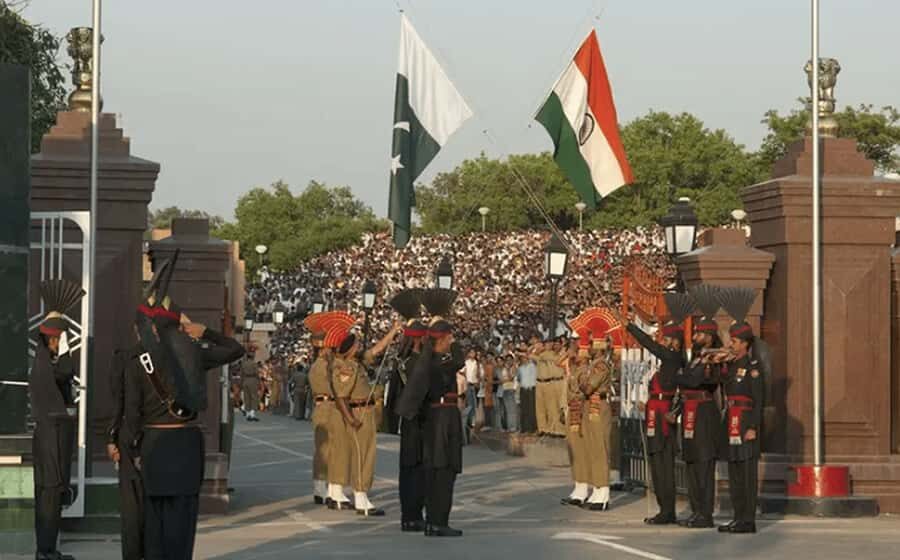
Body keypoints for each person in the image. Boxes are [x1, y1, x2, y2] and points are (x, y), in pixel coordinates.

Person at [125, 253, 244, 560]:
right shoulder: (193, 352)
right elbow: (235, 349)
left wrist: (130, 451)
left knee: (154, 522)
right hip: (186, 445)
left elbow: (132, 412)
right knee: (183, 521)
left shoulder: (138, 359)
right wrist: (206, 332)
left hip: (153, 445)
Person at [396, 288, 466, 537]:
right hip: (443, 422)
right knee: (443, 471)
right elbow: (459, 358)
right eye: (448, 337)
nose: (450, 341)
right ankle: (437, 521)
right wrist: (443, 330)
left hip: (435, 421)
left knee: (434, 471)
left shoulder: (425, 362)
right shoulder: (437, 363)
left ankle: (431, 520)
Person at [30, 279, 84, 560]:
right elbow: (66, 370)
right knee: (51, 491)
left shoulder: (41, 363)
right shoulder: (48, 366)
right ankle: (46, 551)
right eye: (57, 338)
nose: (58, 343)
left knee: (47, 493)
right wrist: (64, 344)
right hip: (52, 436)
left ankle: (46, 549)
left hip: (47, 434)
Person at [626, 292, 690, 525]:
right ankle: (665, 508)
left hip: (663, 417)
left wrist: (630, 327)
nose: (664, 341)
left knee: (663, 465)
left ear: (675, 342)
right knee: (657, 464)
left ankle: (667, 510)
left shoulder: (673, 359)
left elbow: (650, 345)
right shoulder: (669, 363)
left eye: (668, 338)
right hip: (655, 411)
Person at [330, 319, 401, 516]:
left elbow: (377, 350)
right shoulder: (346, 368)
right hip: (358, 412)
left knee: (367, 453)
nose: (359, 346)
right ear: (350, 349)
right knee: (363, 455)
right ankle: (361, 497)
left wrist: (393, 331)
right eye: (356, 344)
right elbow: (341, 397)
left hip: (366, 410)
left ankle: (361, 494)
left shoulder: (357, 363)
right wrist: (350, 419)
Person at [715, 287, 766, 535]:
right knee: (734, 471)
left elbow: (759, 400)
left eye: (734, 341)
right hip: (732, 422)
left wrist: (753, 426)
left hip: (745, 423)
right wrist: (720, 364)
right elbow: (722, 385)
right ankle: (737, 517)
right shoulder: (733, 365)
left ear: (745, 343)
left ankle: (748, 519)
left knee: (746, 474)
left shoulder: (753, 367)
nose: (731, 345)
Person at [677, 285, 723, 529]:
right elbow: (682, 379)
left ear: (709, 335)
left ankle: (705, 513)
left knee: (704, 464)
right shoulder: (696, 358)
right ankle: (696, 510)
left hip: (704, 414)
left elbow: (697, 381)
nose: (695, 336)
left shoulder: (715, 358)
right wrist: (685, 377)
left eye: (699, 333)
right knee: (692, 463)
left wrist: (686, 377)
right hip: (689, 412)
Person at [388, 289, 429, 532]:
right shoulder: (419, 362)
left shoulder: (400, 361)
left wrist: (391, 422)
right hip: (421, 420)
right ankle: (414, 514)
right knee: (418, 470)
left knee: (407, 469)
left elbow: (392, 395)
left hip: (406, 421)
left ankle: (408, 514)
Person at [108, 343, 144, 560]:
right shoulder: (170, 356)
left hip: (130, 436)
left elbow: (117, 400)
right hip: (156, 439)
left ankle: (133, 554)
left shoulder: (125, 358)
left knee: (131, 503)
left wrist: (111, 437)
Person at [533, 340, 566, 436]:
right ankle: (543, 428)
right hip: (542, 382)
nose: (554, 346)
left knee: (557, 407)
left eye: (556, 344)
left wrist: (541, 349)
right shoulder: (544, 354)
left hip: (557, 381)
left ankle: (559, 430)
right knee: (543, 407)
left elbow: (556, 360)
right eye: (553, 344)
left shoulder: (555, 354)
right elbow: (530, 354)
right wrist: (537, 347)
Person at [516, 349, 538, 434]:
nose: (523, 359)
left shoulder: (532, 365)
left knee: (531, 409)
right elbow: (518, 379)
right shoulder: (520, 368)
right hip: (523, 389)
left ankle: (532, 428)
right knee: (524, 409)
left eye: (525, 357)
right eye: (522, 358)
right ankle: (524, 428)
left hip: (531, 389)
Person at [241, 356, 260, 422]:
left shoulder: (244, 364)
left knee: (246, 397)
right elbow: (257, 373)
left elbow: (241, 373)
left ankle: (247, 414)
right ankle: (252, 414)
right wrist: (258, 381)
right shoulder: (254, 364)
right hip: (253, 380)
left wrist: (241, 382)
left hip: (245, 380)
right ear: (252, 357)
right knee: (254, 397)